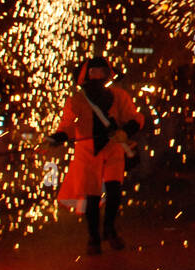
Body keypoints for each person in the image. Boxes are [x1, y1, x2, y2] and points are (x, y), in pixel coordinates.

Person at [48, 56, 145, 255]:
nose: (97, 75)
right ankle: (93, 237)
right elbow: (68, 126)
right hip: (87, 152)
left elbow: (135, 117)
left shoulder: (119, 96)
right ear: (84, 75)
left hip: (113, 149)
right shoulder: (76, 100)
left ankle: (109, 229)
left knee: (114, 191)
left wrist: (125, 131)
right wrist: (55, 138)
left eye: (101, 71)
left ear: (107, 73)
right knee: (91, 197)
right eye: (93, 72)